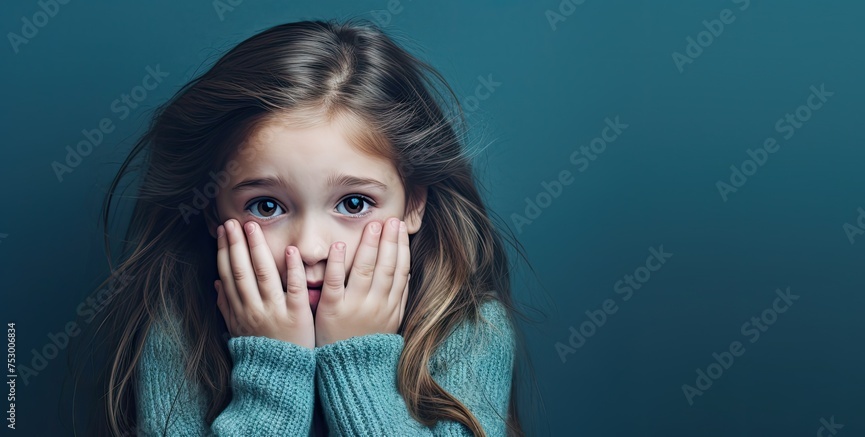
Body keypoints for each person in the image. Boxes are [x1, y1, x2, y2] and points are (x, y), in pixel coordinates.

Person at [75, 18, 532, 436]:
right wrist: (273, 371)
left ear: (413, 204)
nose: (312, 248)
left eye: (354, 203)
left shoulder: (468, 328)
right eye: (266, 205)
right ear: (213, 212)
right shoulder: (180, 325)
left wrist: (359, 366)